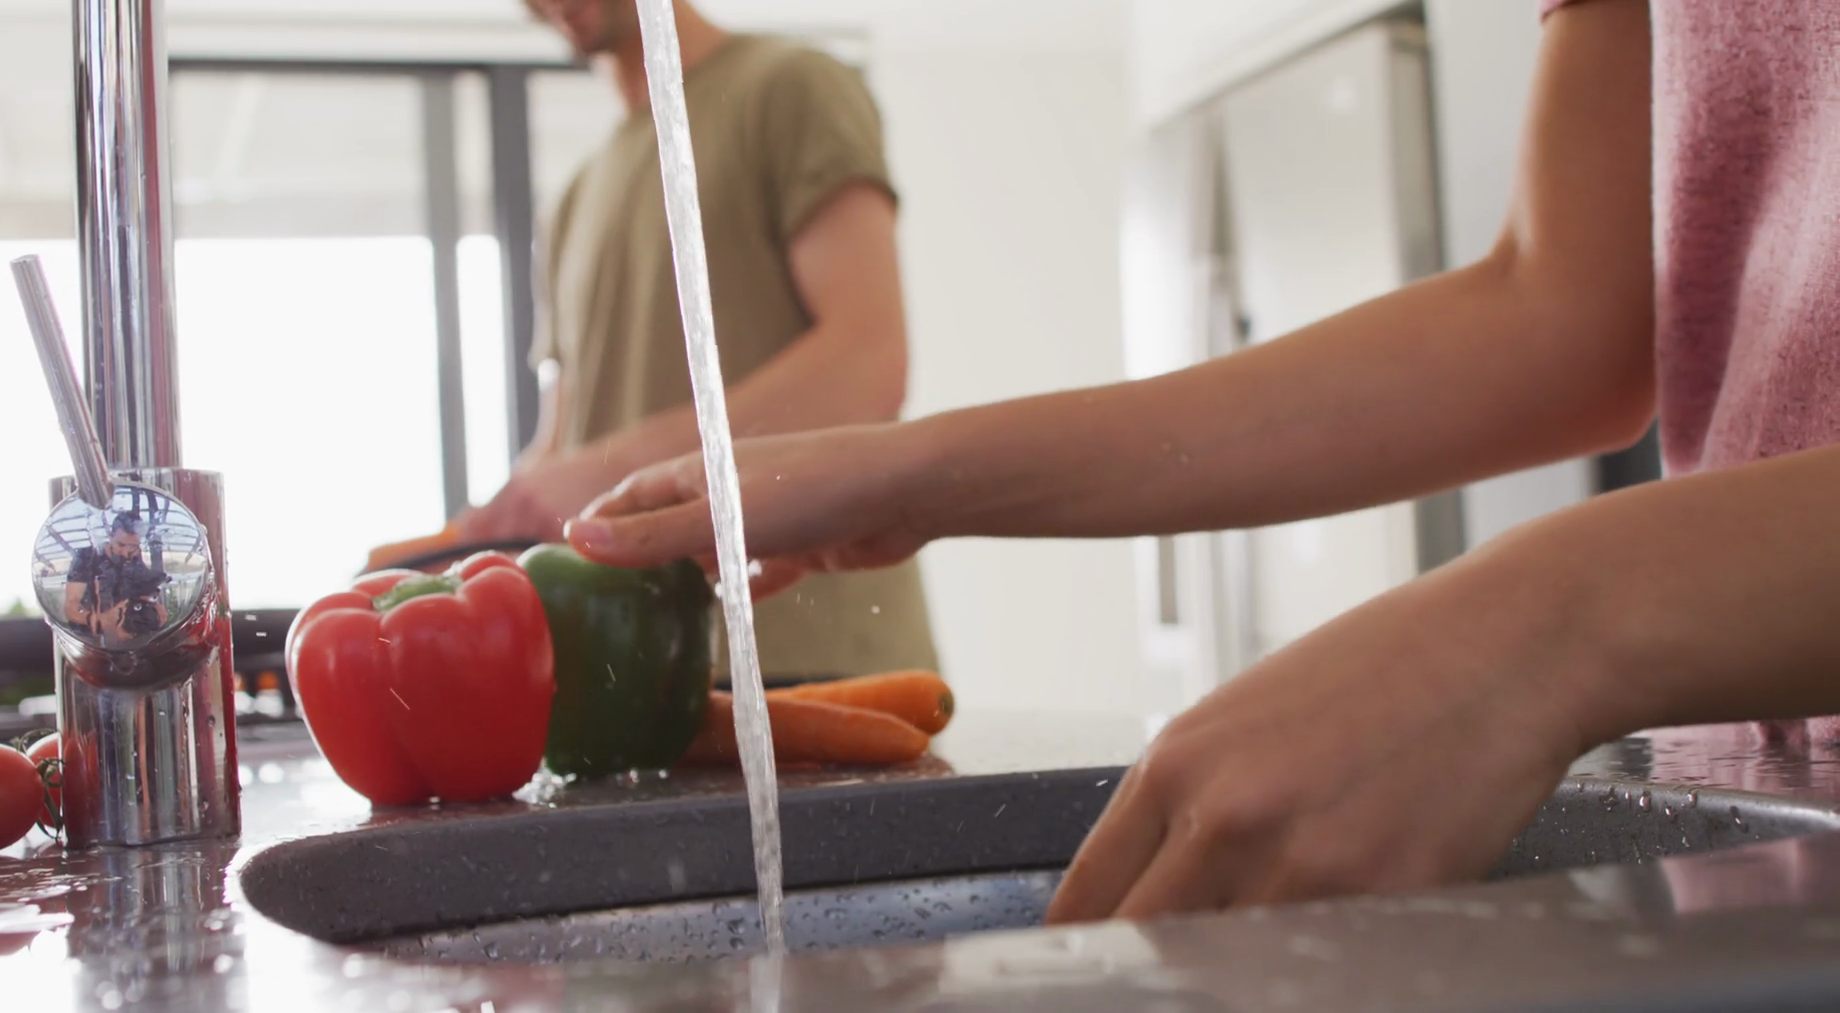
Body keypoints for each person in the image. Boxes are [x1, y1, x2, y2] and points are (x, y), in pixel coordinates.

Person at [561, 0, 1840, 924]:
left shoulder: (785, 96)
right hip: (1764, 810)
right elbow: (1561, 315)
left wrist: (1543, 622)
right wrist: (918, 475)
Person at [459, 0, 939, 681]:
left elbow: (868, 365)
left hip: (820, 671)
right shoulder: (572, 203)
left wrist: (610, 467)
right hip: (634, 681)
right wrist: (489, 531)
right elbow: (565, 446)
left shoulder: (790, 88)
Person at [64, 511, 169, 644]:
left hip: (128, 639)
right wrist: (100, 620)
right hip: (88, 641)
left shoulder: (135, 560)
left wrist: (153, 611)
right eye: (120, 545)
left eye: (133, 546)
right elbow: (71, 606)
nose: (126, 553)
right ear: (110, 536)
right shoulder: (86, 557)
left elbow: (144, 593)